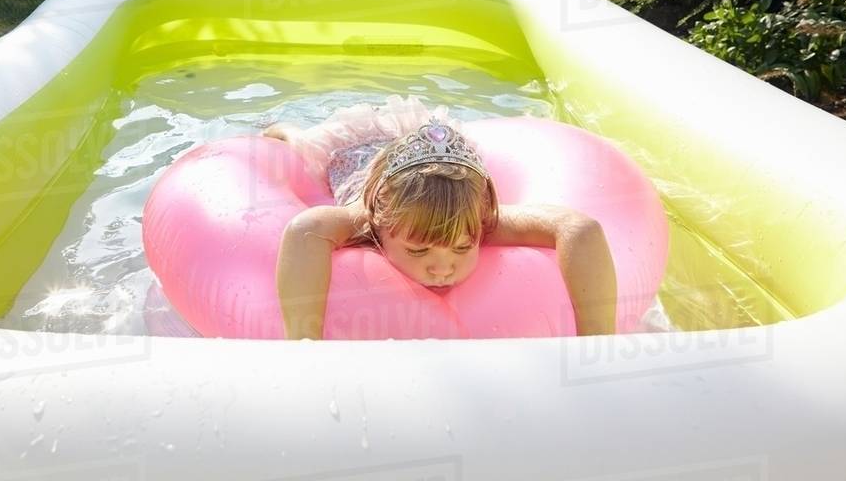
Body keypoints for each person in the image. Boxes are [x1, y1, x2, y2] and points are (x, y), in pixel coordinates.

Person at [263, 94, 618, 340]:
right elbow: (305, 229)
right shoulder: (369, 217)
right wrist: (304, 344)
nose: (442, 268)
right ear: (381, 227)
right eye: (418, 251)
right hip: (353, 157)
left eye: (462, 249)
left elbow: (580, 228)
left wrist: (597, 343)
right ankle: (286, 128)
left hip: (427, 165)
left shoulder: (477, 220)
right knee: (305, 147)